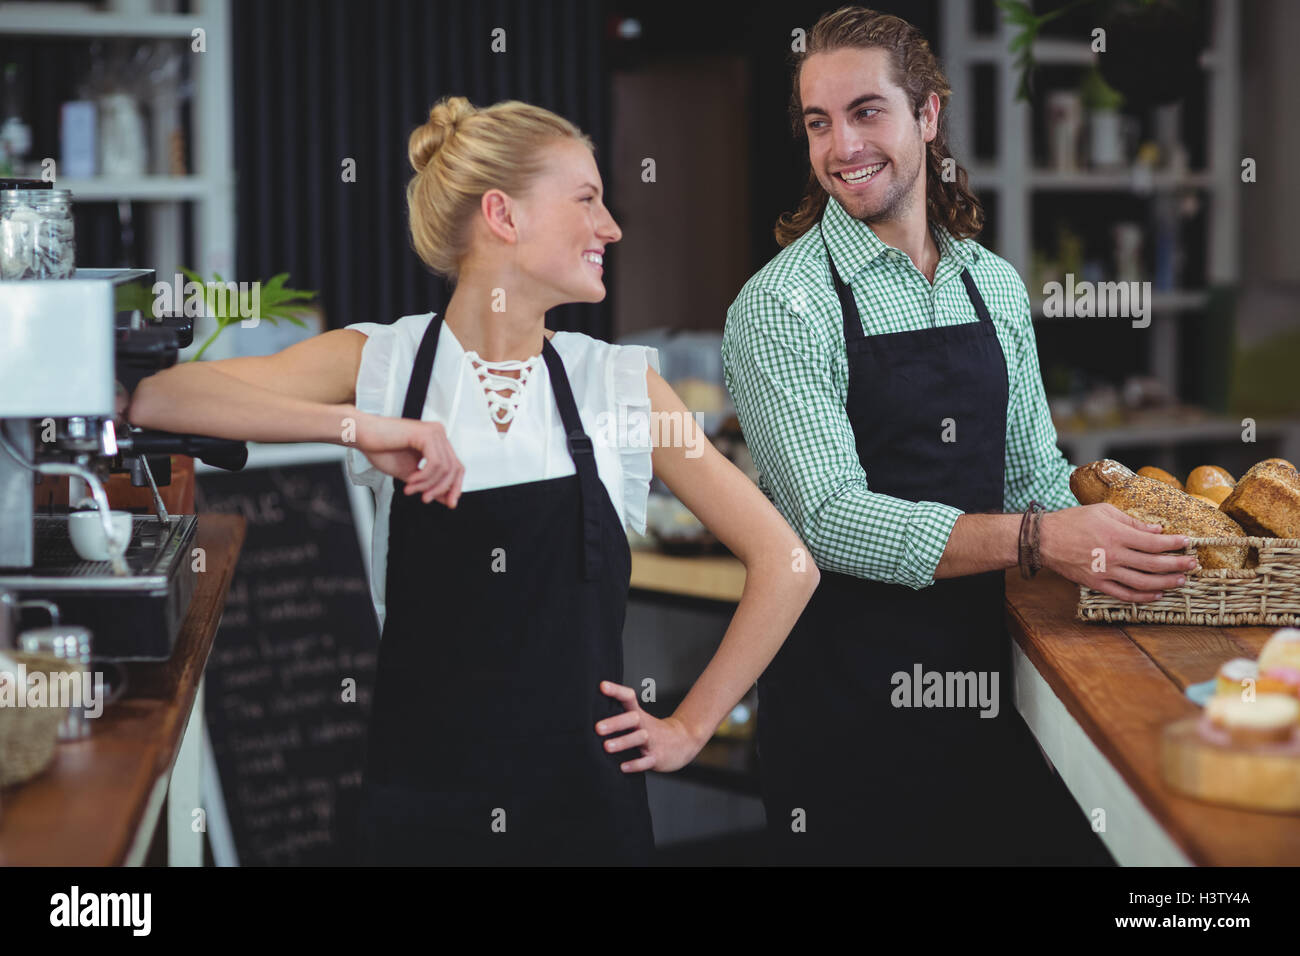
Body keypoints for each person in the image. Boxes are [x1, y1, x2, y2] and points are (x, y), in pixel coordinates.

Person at [129, 95, 819, 865]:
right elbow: (161, 396)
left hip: (584, 816)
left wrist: (690, 726)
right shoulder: (385, 365)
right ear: (503, 214)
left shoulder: (617, 386)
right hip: (423, 810)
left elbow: (787, 563)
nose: (612, 227)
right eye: (587, 200)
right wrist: (361, 427)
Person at [722, 7, 1196, 865]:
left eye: (867, 111)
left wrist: (1114, 548)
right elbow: (830, 519)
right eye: (819, 122)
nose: (841, 146)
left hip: (994, 682)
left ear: (928, 115)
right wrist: (1040, 538)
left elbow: (1033, 472)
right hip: (850, 711)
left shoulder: (994, 284)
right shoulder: (781, 306)